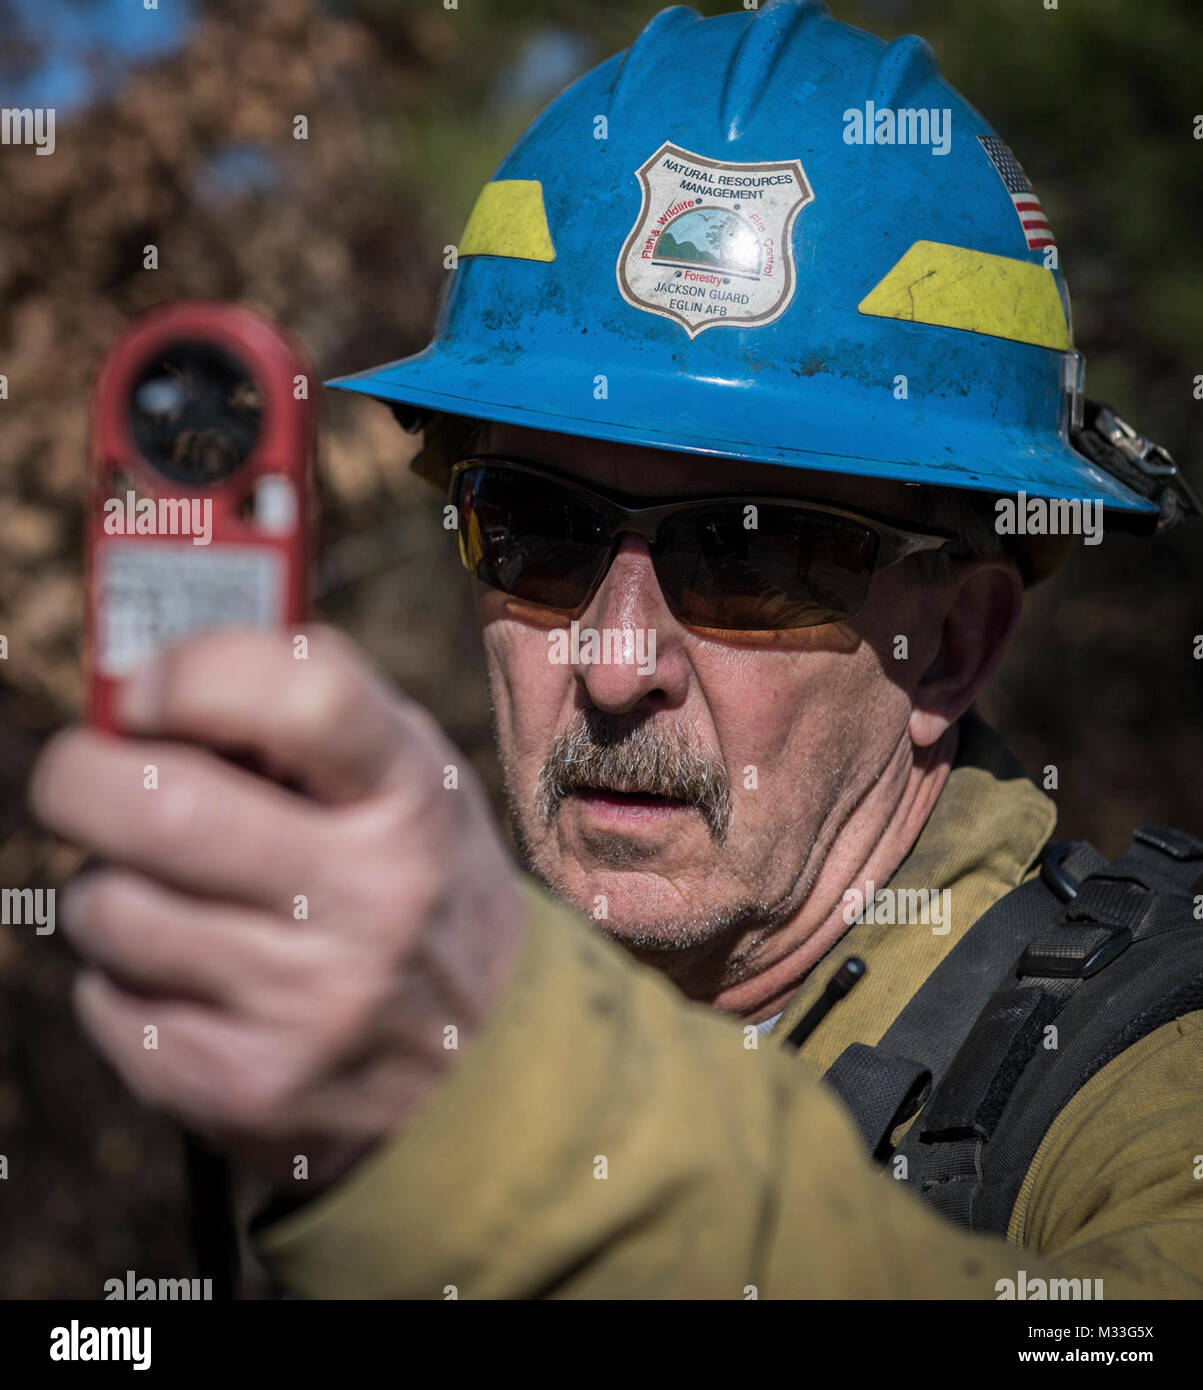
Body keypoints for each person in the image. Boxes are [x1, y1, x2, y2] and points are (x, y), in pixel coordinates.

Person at [30, 0, 1203, 1298]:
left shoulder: (1145, 1082)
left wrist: (483, 1107)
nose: (613, 658)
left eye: (750, 554)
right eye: (536, 528)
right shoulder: (384, 1026)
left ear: (953, 644)